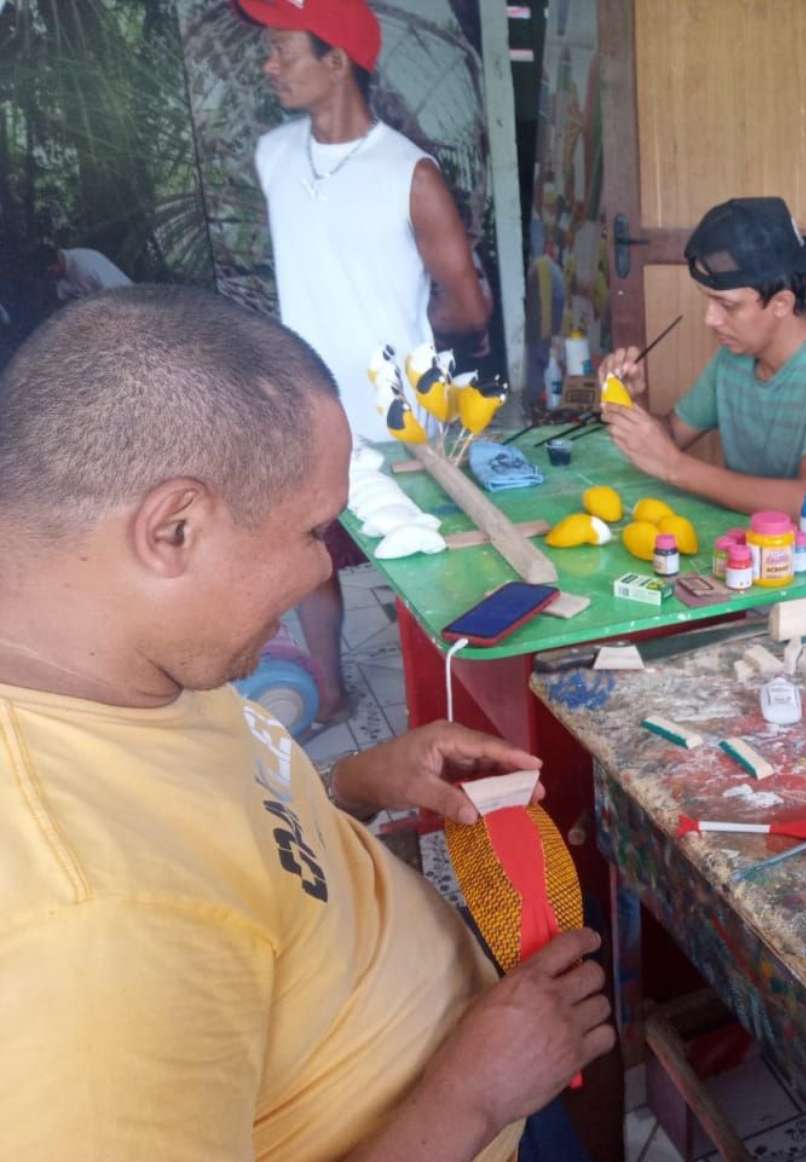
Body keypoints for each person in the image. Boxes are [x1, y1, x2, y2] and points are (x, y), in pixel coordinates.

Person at [0, 287, 613, 1160]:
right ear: (173, 530)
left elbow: (215, 830)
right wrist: (472, 1095)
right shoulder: (89, 931)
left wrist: (348, 789)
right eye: (315, 532)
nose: (326, 567)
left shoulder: (118, 653)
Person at [241, 0, 492, 724]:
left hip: (401, 409)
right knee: (307, 548)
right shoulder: (275, 157)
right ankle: (333, 691)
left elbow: (469, 308)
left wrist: (404, 333)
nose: (270, 64)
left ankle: (441, 708)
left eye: (283, 49)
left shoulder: (409, 176)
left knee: (419, 555)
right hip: (310, 403)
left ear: (337, 60)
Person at [598, 197, 806, 572]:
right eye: (708, 301)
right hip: (749, 562)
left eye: (726, 306)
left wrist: (676, 468)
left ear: (780, 303)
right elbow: (670, 437)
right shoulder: (733, 360)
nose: (709, 319)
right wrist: (628, 405)